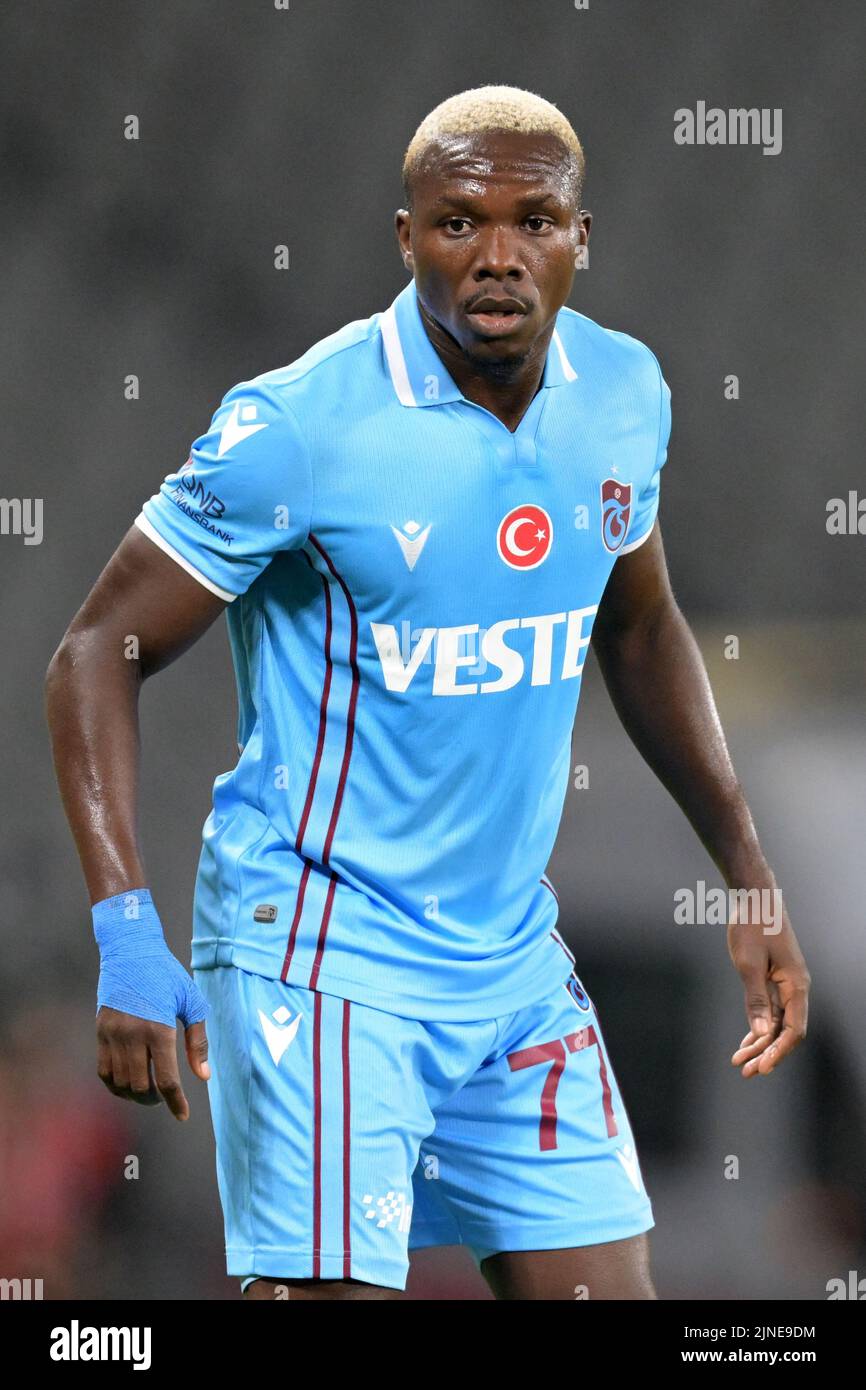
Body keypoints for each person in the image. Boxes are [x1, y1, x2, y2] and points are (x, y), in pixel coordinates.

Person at [45, 85, 810, 1301]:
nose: (497, 255)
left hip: (506, 961)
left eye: (533, 221)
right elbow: (94, 652)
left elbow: (643, 624)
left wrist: (746, 869)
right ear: (405, 240)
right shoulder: (297, 429)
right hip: (320, 954)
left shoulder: (624, 394)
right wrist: (126, 933)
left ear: (581, 235)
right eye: (457, 222)